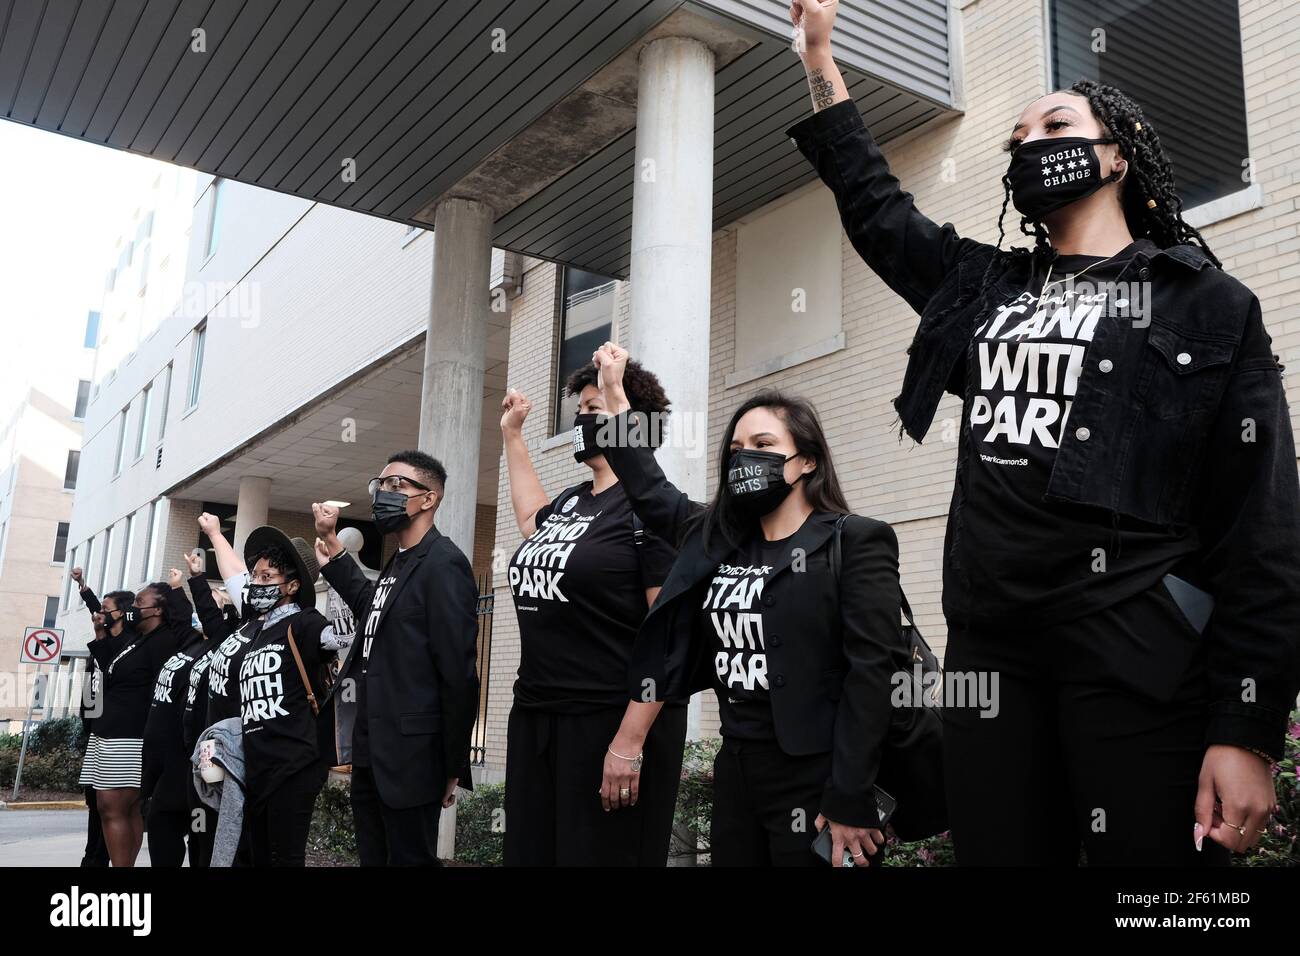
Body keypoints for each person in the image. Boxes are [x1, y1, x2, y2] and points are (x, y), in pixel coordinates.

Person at [784, 0, 1300, 864]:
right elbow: (876, 209)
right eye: (1015, 135)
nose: (1029, 141)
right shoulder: (982, 284)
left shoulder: (1207, 304)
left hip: (1138, 657)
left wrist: (1247, 731)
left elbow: (1265, 527)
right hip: (993, 659)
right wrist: (819, 57)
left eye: (1055, 123)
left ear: (1117, 157)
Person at [591, 342, 906, 867]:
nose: (744, 456)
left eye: (763, 443)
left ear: (806, 459)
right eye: (736, 447)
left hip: (818, 775)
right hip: (737, 766)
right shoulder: (717, 538)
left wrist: (850, 793)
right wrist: (615, 396)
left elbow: (873, 673)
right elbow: (648, 487)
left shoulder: (856, 540)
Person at [496, 362, 687, 866]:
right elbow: (528, 519)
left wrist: (628, 743)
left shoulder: (653, 512)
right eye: (578, 409)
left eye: (593, 408)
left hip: (606, 723)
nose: (581, 418)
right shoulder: (572, 501)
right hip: (538, 716)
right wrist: (513, 436)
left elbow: (668, 639)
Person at [311, 449, 480, 867]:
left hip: (414, 758)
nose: (383, 493)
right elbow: (375, 607)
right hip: (372, 752)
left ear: (428, 499)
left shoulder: (444, 564)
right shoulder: (397, 563)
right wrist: (335, 552)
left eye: (396, 485)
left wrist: (452, 765)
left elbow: (459, 674)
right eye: (380, 485)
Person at [81, 583, 181, 867]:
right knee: (112, 808)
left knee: (114, 807)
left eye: (139, 602)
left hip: (129, 735)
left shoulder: (163, 641)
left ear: (159, 610)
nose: (134, 608)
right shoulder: (137, 640)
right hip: (109, 732)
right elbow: (109, 660)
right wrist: (99, 629)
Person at [139, 569, 208, 867]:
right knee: (160, 823)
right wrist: (178, 586)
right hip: (161, 758)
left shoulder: (217, 650)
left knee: (192, 829)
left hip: (187, 759)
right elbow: (181, 616)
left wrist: (196, 582)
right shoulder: (190, 642)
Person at [70, 567, 109, 867]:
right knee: (92, 802)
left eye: (106, 614)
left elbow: (100, 610)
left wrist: (88, 593)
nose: (99, 618)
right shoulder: (97, 652)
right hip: (93, 732)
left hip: (112, 735)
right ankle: (91, 857)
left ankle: (96, 858)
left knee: (105, 808)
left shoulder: (121, 647)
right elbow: (96, 611)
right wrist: (82, 587)